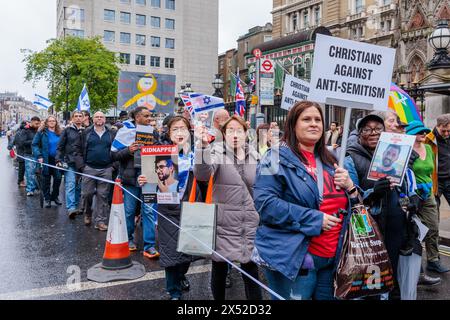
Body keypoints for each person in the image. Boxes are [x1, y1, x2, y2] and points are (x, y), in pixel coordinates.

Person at [253, 101, 357, 300]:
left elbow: (354, 203)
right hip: (296, 258)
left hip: (333, 258)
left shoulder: (333, 159)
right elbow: (265, 204)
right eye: (306, 119)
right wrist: (314, 219)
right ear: (293, 125)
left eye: (318, 120)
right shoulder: (272, 158)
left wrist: (351, 187)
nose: (314, 124)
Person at [345, 114, 420, 300]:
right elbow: (350, 197)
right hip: (369, 231)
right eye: (367, 129)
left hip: (395, 229)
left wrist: (411, 200)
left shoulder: (394, 154)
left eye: (378, 128)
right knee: (371, 281)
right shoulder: (350, 158)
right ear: (359, 133)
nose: (373, 133)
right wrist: (374, 192)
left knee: (392, 274)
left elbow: (405, 188)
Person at [194, 115, 262, 301]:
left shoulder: (256, 155)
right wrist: (201, 147)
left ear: (246, 133)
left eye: (239, 130)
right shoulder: (215, 152)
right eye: (230, 130)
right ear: (223, 134)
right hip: (224, 222)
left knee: (250, 269)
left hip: (249, 222)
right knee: (220, 268)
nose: (235, 134)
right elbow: (202, 173)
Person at [138, 116, 199, 300]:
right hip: (166, 210)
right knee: (170, 252)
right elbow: (149, 184)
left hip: (191, 208)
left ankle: (181, 276)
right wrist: (143, 180)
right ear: (168, 133)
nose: (179, 133)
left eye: (183, 128)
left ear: (189, 132)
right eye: (175, 129)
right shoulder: (158, 153)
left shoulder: (198, 153)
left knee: (188, 253)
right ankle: (174, 291)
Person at [111, 107, 159, 258]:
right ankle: (129, 239)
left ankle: (149, 246)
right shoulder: (124, 131)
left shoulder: (153, 131)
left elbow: (161, 152)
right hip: (130, 178)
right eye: (146, 116)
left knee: (149, 211)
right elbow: (113, 155)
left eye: (150, 116)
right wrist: (129, 150)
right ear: (137, 117)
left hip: (149, 176)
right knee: (129, 210)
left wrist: (153, 148)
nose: (149, 119)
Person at [407, 120, 449, 274]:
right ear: (411, 134)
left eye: (424, 131)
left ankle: (433, 260)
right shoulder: (406, 149)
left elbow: (433, 171)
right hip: (413, 195)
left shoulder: (429, 149)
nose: (424, 134)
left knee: (433, 227)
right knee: (414, 230)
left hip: (428, 193)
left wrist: (433, 189)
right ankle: (415, 265)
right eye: (419, 132)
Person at [80, 112, 115, 231]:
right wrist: (82, 166)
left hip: (106, 169)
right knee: (87, 194)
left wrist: (113, 166)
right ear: (92, 119)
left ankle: (100, 221)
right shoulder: (86, 133)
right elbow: (78, 149)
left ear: (105, 119)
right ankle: (88, 213)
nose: (99, 118)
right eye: (97, 117)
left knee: (102, 196)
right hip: (89, 168)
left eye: (101, 117)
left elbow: (117, 149)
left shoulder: (111, 133)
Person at [56, 111, 85, 219]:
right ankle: (71, 208)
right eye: (76, 116)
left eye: (80, 116)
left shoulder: (86, 131)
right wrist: (58, 159)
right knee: (70, 184)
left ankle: (76, 206)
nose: (78, 118)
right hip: (69, 161)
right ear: (72, 118)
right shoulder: (67, 130)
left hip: (82, 163)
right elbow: (60, 146)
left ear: (83, 118)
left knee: (79, 186)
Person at [32, 116, 63, 208]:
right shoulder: (41, 132)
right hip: (45, 159)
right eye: (50, 121)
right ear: (46, 122)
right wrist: (39, 155)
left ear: (56, 122)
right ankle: (47, 199)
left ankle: (55, 196)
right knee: (46, 179)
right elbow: (34, 144)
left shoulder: (60, 133)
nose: (52, 122)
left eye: (54, 121)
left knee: (58, 178)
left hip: (57, 160)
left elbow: (63, 146)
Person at [426, 114, 450, 219]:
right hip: (436, 180)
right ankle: (434, 234)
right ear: (437, 126)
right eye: (443, 131)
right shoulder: (428, 139)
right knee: (434, 211)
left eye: (449, 131)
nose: (446, 133)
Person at [12, 118, 41, 195]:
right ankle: (30, 189)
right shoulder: (25, 131)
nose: (38, 125)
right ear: (31, 122)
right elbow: (22, 142)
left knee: (40, 172)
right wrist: (34, 141)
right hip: (29, 154)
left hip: (39, 154)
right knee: (30, 172)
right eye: (36, 124)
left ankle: (38, 186)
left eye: (38, 123)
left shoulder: (40, 130)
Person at [8, 121, 29, 188]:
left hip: (22, 153)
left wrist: (10, 146)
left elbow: (12, 142)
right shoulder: (20, 133)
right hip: (22, 153)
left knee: (22, 168)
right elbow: (14, 141)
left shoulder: (18, 132)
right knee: (22, 169)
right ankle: (20, 181)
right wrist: (10, 146)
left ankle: (22, 181)